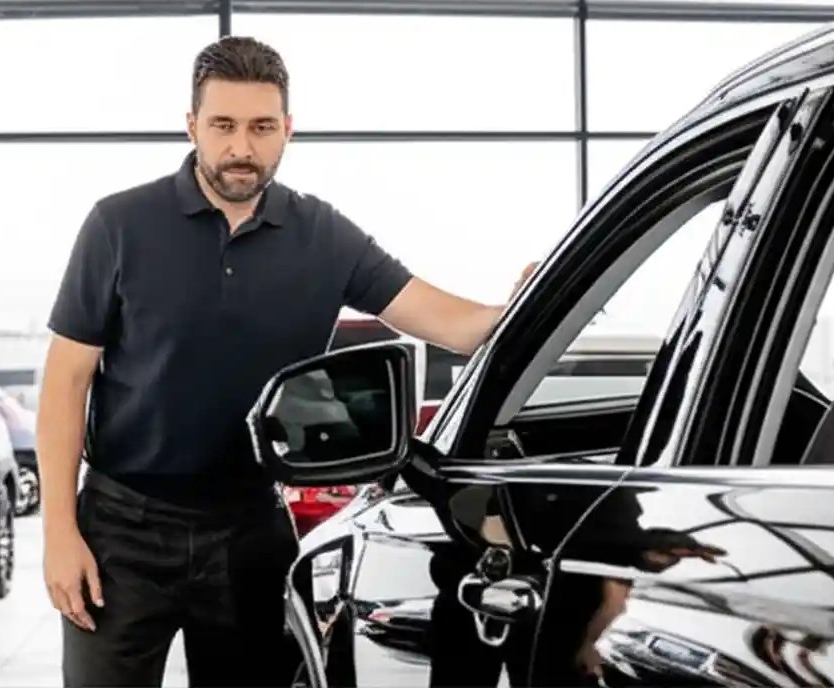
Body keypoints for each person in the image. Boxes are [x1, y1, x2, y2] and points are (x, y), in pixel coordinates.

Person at [36, 34, 539, 688]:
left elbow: (454, 324)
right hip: (121, 530)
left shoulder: (323, 235)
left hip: (248, 529)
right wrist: (59, 533)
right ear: (192, 126)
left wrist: (530, 300)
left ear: (288, 130)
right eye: (222, 125)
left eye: (260, 126)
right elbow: (65, 384)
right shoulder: (118, 225)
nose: (241, 147)